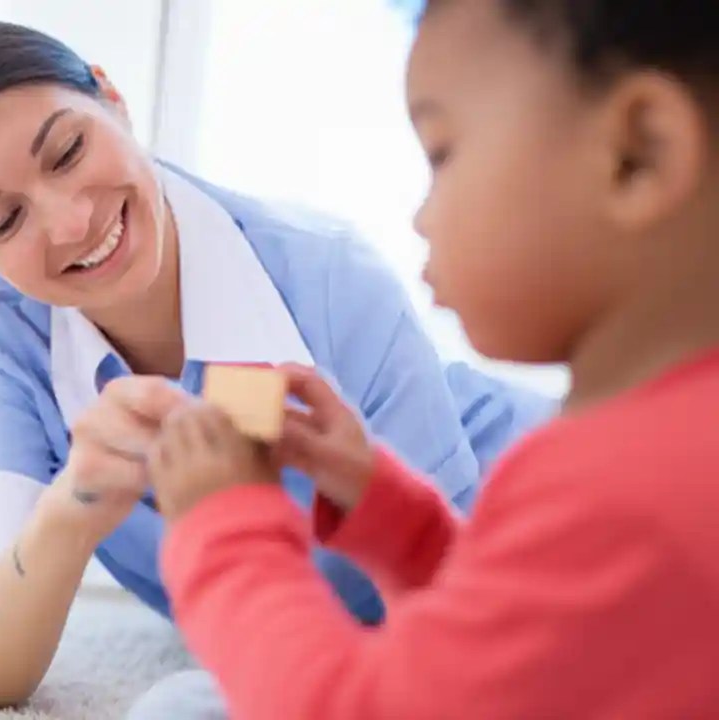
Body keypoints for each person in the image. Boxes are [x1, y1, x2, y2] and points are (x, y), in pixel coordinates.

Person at [0, 20, 553, 710]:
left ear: (111, 98)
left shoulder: (325, 274)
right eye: (3, 223)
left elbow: (454, 625)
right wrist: (71, 506)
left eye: (67, 152)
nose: (69, 222)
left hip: (530, 512)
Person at [148, 0, 719, 717]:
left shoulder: (614, 481)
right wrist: (387, 511)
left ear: (639, 156)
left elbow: (355, 707)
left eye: (442, 152)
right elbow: (521, 648)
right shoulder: (671, 450)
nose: (420, 216)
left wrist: (223, 524)